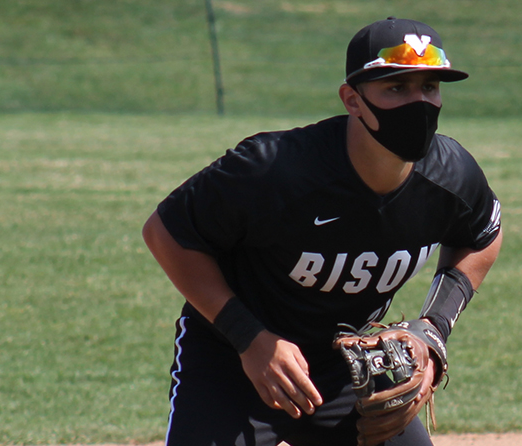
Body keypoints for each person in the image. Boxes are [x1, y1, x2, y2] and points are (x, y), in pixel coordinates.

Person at [143, 17, 503, 446]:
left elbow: (483, 234)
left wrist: (433, 327)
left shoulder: (450, 176)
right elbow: (166, 231)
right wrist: (249, 338)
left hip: (348, 368)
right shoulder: (276, 170)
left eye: (429, 87)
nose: (419, 103)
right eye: (395, 88)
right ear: (352, 99)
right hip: (233, 358)